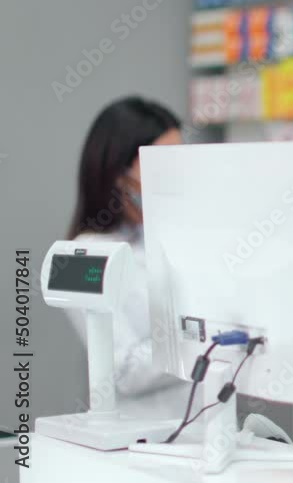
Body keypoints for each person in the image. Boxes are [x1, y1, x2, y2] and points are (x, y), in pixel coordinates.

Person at [66, 96, 188, 420]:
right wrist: (202, 337)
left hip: (208, 430)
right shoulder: (83, 257)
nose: (176, 176)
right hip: (140, 440)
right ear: (119, 173)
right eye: (164, 164)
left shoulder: (176, 238)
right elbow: (125, 371)